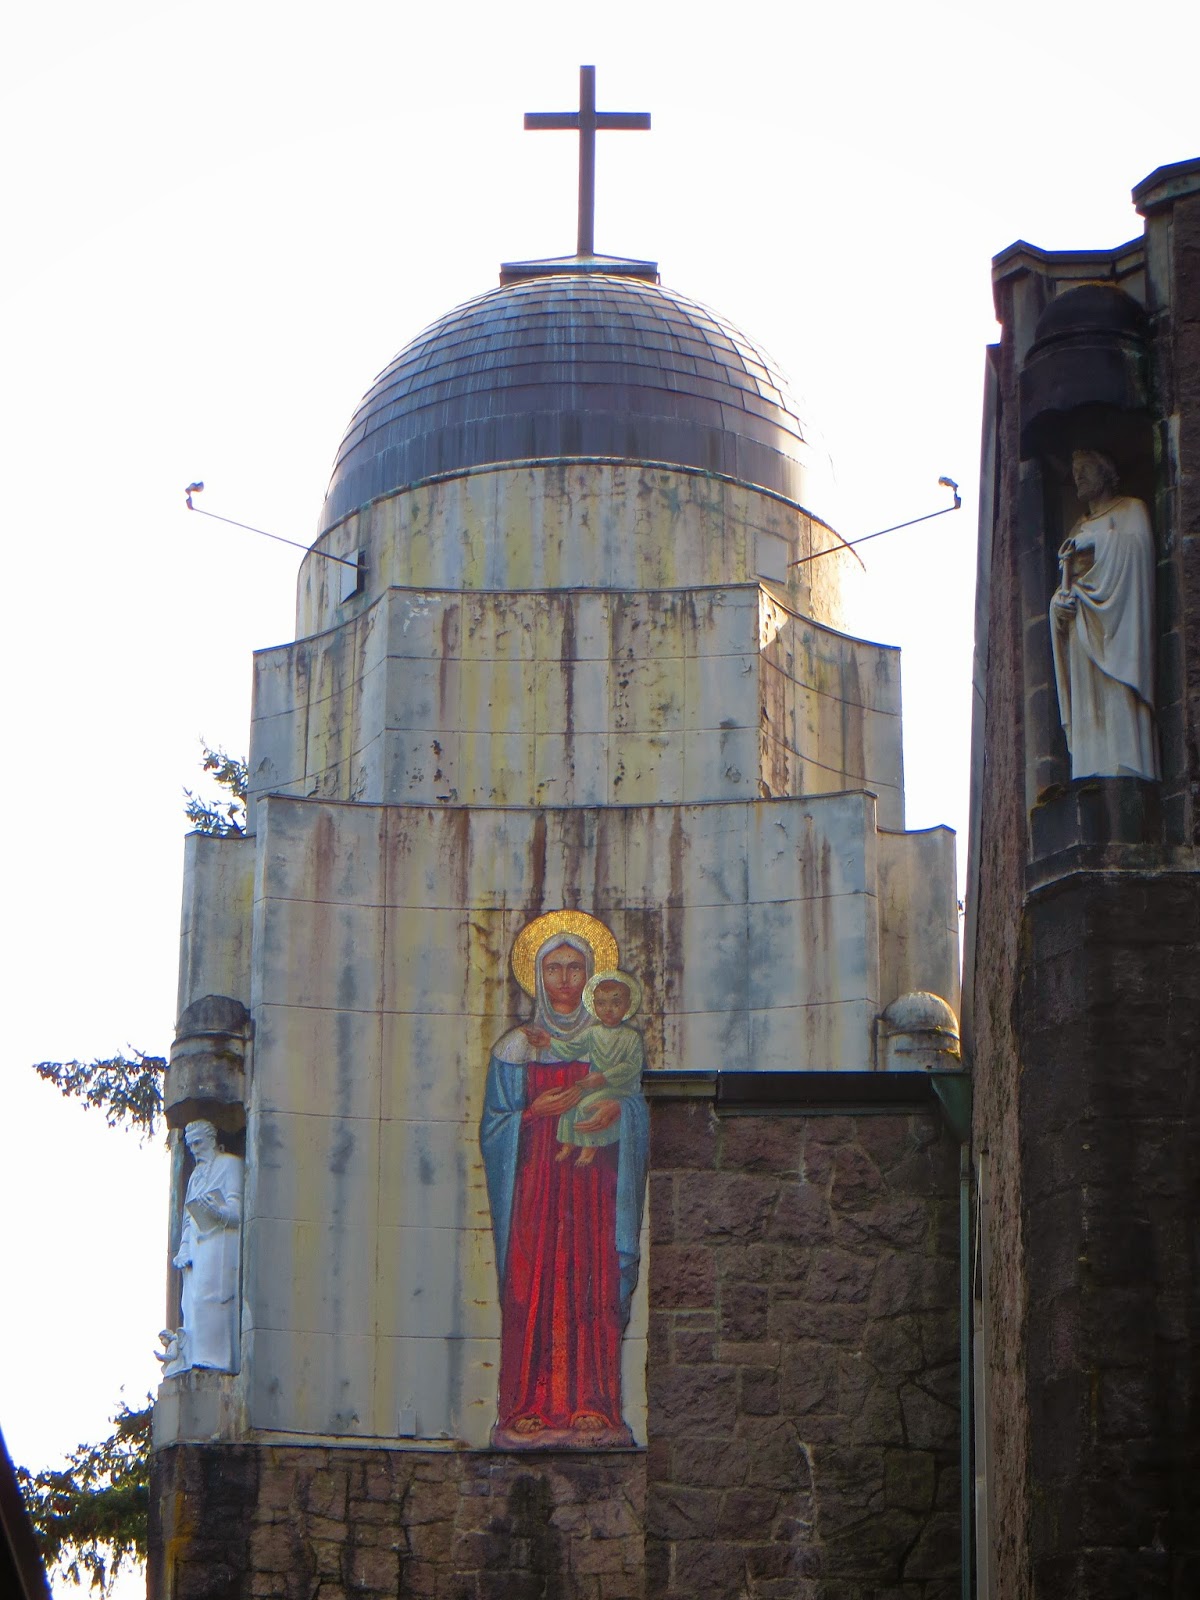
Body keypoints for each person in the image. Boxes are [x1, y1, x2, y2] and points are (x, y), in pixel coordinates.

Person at [479, 920, 649, 1447]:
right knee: (533, 1284)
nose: (565, 979)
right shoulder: (515, 1047)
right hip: (534, 1189)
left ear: (594, 975)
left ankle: (594, 1405)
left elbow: (637, 1104)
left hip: (594, 1187)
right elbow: (494, 1126)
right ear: (537, 974)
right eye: (554, 968)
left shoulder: (615, 1043)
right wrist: (532, 1111)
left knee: (591, 1282)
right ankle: (526, 1403)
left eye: (576, 967)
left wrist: (618, 1113)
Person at [1050, 449, 1159, 780]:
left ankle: (1129, 764)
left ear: (1106, 471)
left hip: (1120, 628)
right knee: (1090, 706)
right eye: (1073, 470)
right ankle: (1090, 767)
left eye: (1084, 469)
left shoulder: (1132, 510)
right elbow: (1066, 584)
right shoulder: (1076, 527)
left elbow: (1140, 555)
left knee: (1118, 699)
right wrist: (1058, 605)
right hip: (1084, 629)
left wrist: (1097, 543)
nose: (1077, 477)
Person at [523, 969, 646, 1167]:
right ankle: (568, 1144)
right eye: (601, 1003)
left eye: (616, 1003)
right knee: (570, 1104)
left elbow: (632, 1066)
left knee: (586, 1107)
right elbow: (571, 1049)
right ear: (594, 1006)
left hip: (619, 1088)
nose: (608, 1009)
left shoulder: (631, 1038)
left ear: (627, 1006)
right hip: (595, 1085)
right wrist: (549, 1042)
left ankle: (589, 1148)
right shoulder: (592, 1033)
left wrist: (604, 1077)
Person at [168, 1119, 244, 1374]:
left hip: (221, 1241)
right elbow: (188, 1217)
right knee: (192, 1303)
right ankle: (194, 1356)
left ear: (212, 1140)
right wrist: (184, 1249)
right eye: (190, 1146)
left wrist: (219, 1211)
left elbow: (239, 1211)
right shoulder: (195, 1176)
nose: (194, 1150)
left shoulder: (230, 1164)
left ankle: (218, 1360)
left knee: (213, 1299)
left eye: (198, 1143)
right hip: (197, 1248)